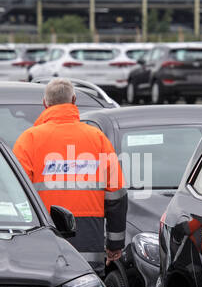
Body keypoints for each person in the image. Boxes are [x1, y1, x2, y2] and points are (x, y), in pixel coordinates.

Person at [13, 78, 127, 269]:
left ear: (45, 103)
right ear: (74, 100)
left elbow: (16, 194)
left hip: (44, 241)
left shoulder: (29, 139)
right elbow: (116, 195)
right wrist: (115, 245)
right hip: (89, 243)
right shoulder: (97, 138)